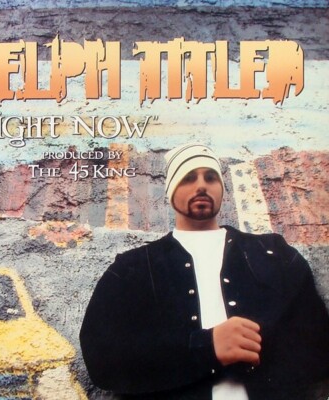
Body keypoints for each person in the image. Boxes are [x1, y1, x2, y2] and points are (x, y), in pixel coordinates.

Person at [80, 143, 329, 400]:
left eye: (210, 177)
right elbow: (102, 360)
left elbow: (318, 344)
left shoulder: (272, 252)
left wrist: (251, 348)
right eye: (188, 178)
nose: (201, 185)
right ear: (170, 190)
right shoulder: (133, 267)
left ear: (222, 188)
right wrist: (206, 348)